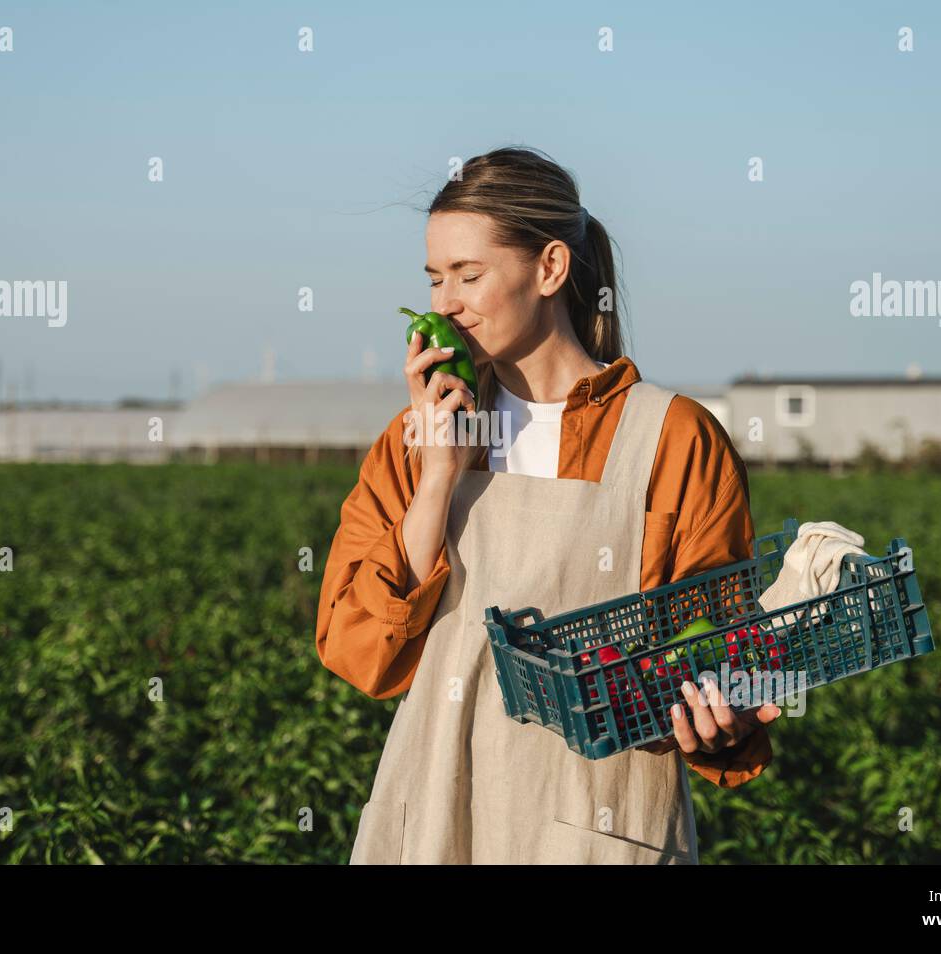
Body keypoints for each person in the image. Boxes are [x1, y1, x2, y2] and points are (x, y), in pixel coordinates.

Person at [315, 146, 781, 864]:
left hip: (600, 828)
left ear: (552, 269)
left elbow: (722, 645)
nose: (445, 304)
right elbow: (357, 650)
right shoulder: (417, 438)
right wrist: (437, 477)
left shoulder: (671, 438)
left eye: (470, 275)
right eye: (436, 279)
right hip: (438, 814)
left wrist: (723, 718)